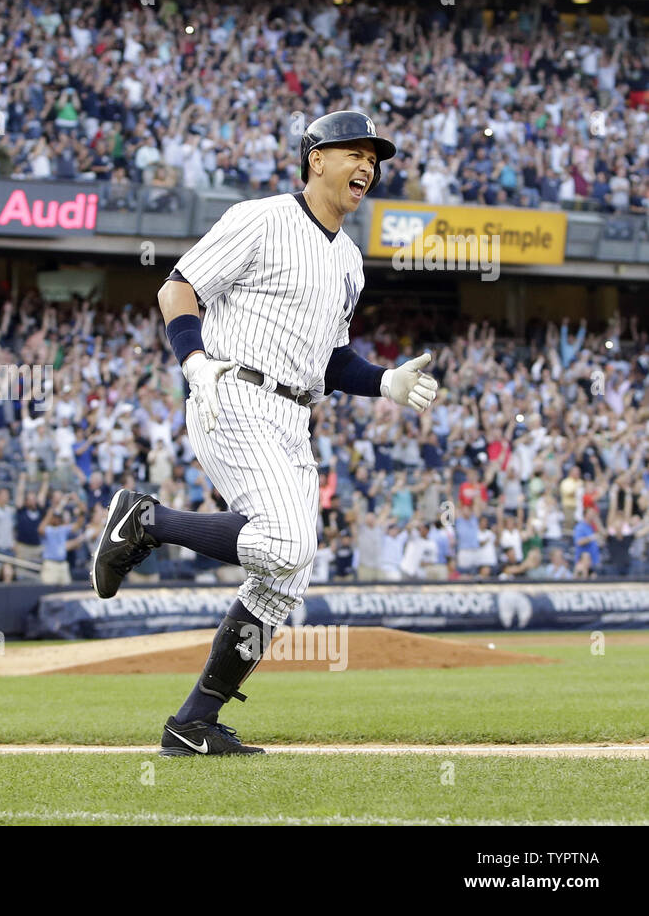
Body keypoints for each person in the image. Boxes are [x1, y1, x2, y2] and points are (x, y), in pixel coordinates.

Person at [89, 112, 438, 756]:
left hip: (291, 415)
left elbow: (332, 361)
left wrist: (384, 382)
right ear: (315, 160)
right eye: (353, 152)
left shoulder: (351, 261)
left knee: (286, 577)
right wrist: (193, 364)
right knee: (282, 542)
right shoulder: (260, 217)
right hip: (234, 389)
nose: (368, 166)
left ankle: (194, 720)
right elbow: (178, 289)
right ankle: (147, 521)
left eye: (375, 157)